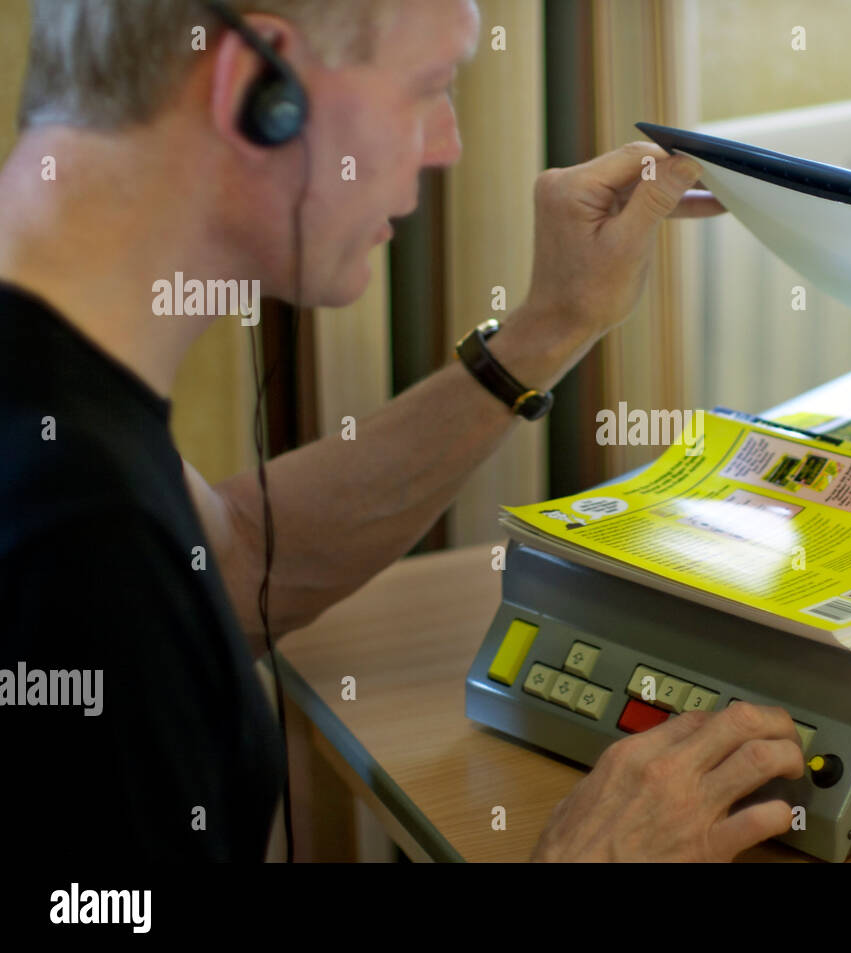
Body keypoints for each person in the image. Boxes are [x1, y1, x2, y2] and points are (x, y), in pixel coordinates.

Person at [0, 0, 805, 862]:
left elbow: (231, 559)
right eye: (427, 87)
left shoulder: (63, 414)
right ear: (257, 86)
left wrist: (552, 326)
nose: (446, 145)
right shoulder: (79, 532)